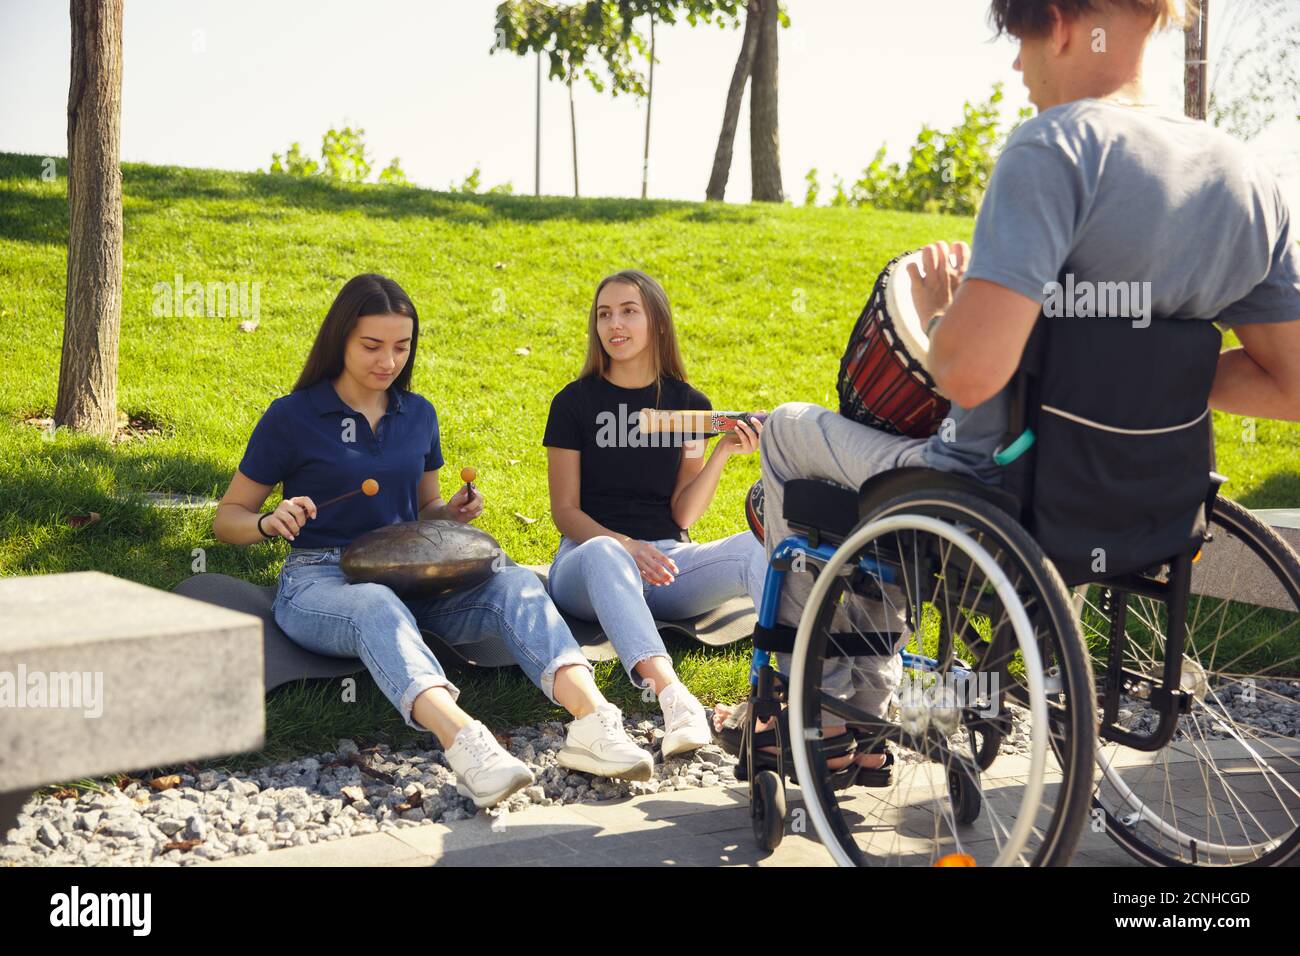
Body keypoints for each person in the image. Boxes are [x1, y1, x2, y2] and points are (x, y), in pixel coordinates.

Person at [717, 0, 1300, 781]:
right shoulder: (1249, 178)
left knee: (789, 431)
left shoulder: (1055, 149)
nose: (1018, 69)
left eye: (1019, 42)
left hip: (993, 490)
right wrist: (1156, 374)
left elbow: (969, 373)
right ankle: (863, 702)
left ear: (1058, 22)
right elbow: (1289, 383)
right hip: (1147, 504)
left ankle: (819, 706)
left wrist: (941, 310)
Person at [213, 274, 656, 809]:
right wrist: (268, 521)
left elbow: (425, 511)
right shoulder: (292, 417)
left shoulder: (416, 414)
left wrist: (452, 513)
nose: (389, 361)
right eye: (372, 346)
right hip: (322, 578)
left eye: (402, 347)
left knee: (515, 580)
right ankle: (467, 743)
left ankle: (593, 722)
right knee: (373, 603)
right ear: (340, 341)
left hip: (413, 576)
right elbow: (228, 518)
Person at [543, 269, 769, 758]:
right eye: (604, 314)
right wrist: (627, 547)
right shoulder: (574, 403)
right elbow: (564, 512)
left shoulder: (689, 407)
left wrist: (723, 452)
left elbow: (683, 510)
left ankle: (779, 696)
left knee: (758, 545)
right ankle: (676, 701)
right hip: (588, 561)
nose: (613, 323)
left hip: (667, 562)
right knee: (605, 551)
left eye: (628, 311)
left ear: (658, 324)